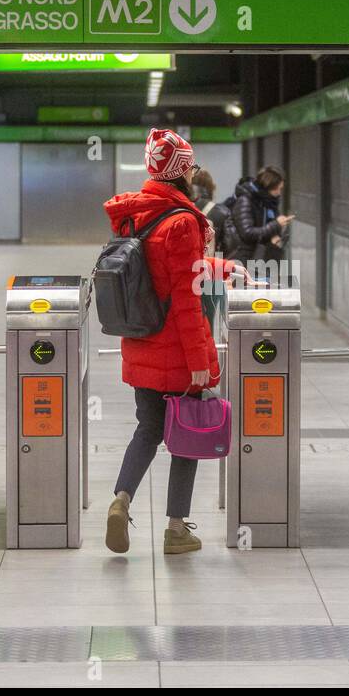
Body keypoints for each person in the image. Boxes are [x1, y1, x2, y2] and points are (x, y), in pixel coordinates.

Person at [101, 129, 231, 556]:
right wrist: (202, 360)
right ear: (180, 172)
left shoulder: (135, 213)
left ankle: (121, 499)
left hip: (140, 340)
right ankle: (176, 529)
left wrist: (220, 267)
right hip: (177, 348)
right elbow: (185, 300)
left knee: (149, 428)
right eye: (189, 166)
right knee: (186, 434)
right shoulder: (181, 220)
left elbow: (158, 267)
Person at [227, 166, 294, 267]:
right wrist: (276, 225)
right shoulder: (246, 201)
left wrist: (277, 236)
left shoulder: (267, 203)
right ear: (269, 186)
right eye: (278, 189)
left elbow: (264, 229)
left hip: (262, 259)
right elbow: (247, 233)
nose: (279, 193)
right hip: (244, 260)